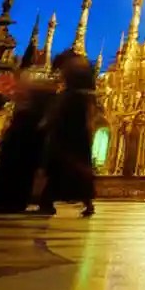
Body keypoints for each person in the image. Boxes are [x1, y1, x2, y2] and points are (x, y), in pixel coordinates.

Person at [37, 51, 98, 217]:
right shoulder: (80, 71)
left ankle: (48, 202)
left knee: (65, 164)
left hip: (71, 126)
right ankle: (50, 201)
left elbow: (80, 99)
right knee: (67, 167)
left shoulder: (76, 76)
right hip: (73, 127)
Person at [0, 75, 53, 214]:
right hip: (22, 146)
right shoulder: (33, 114)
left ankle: (8, 202)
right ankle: (8, 201)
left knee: (16, 170)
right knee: (17, 171)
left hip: (22, 145)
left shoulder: (31, 115)